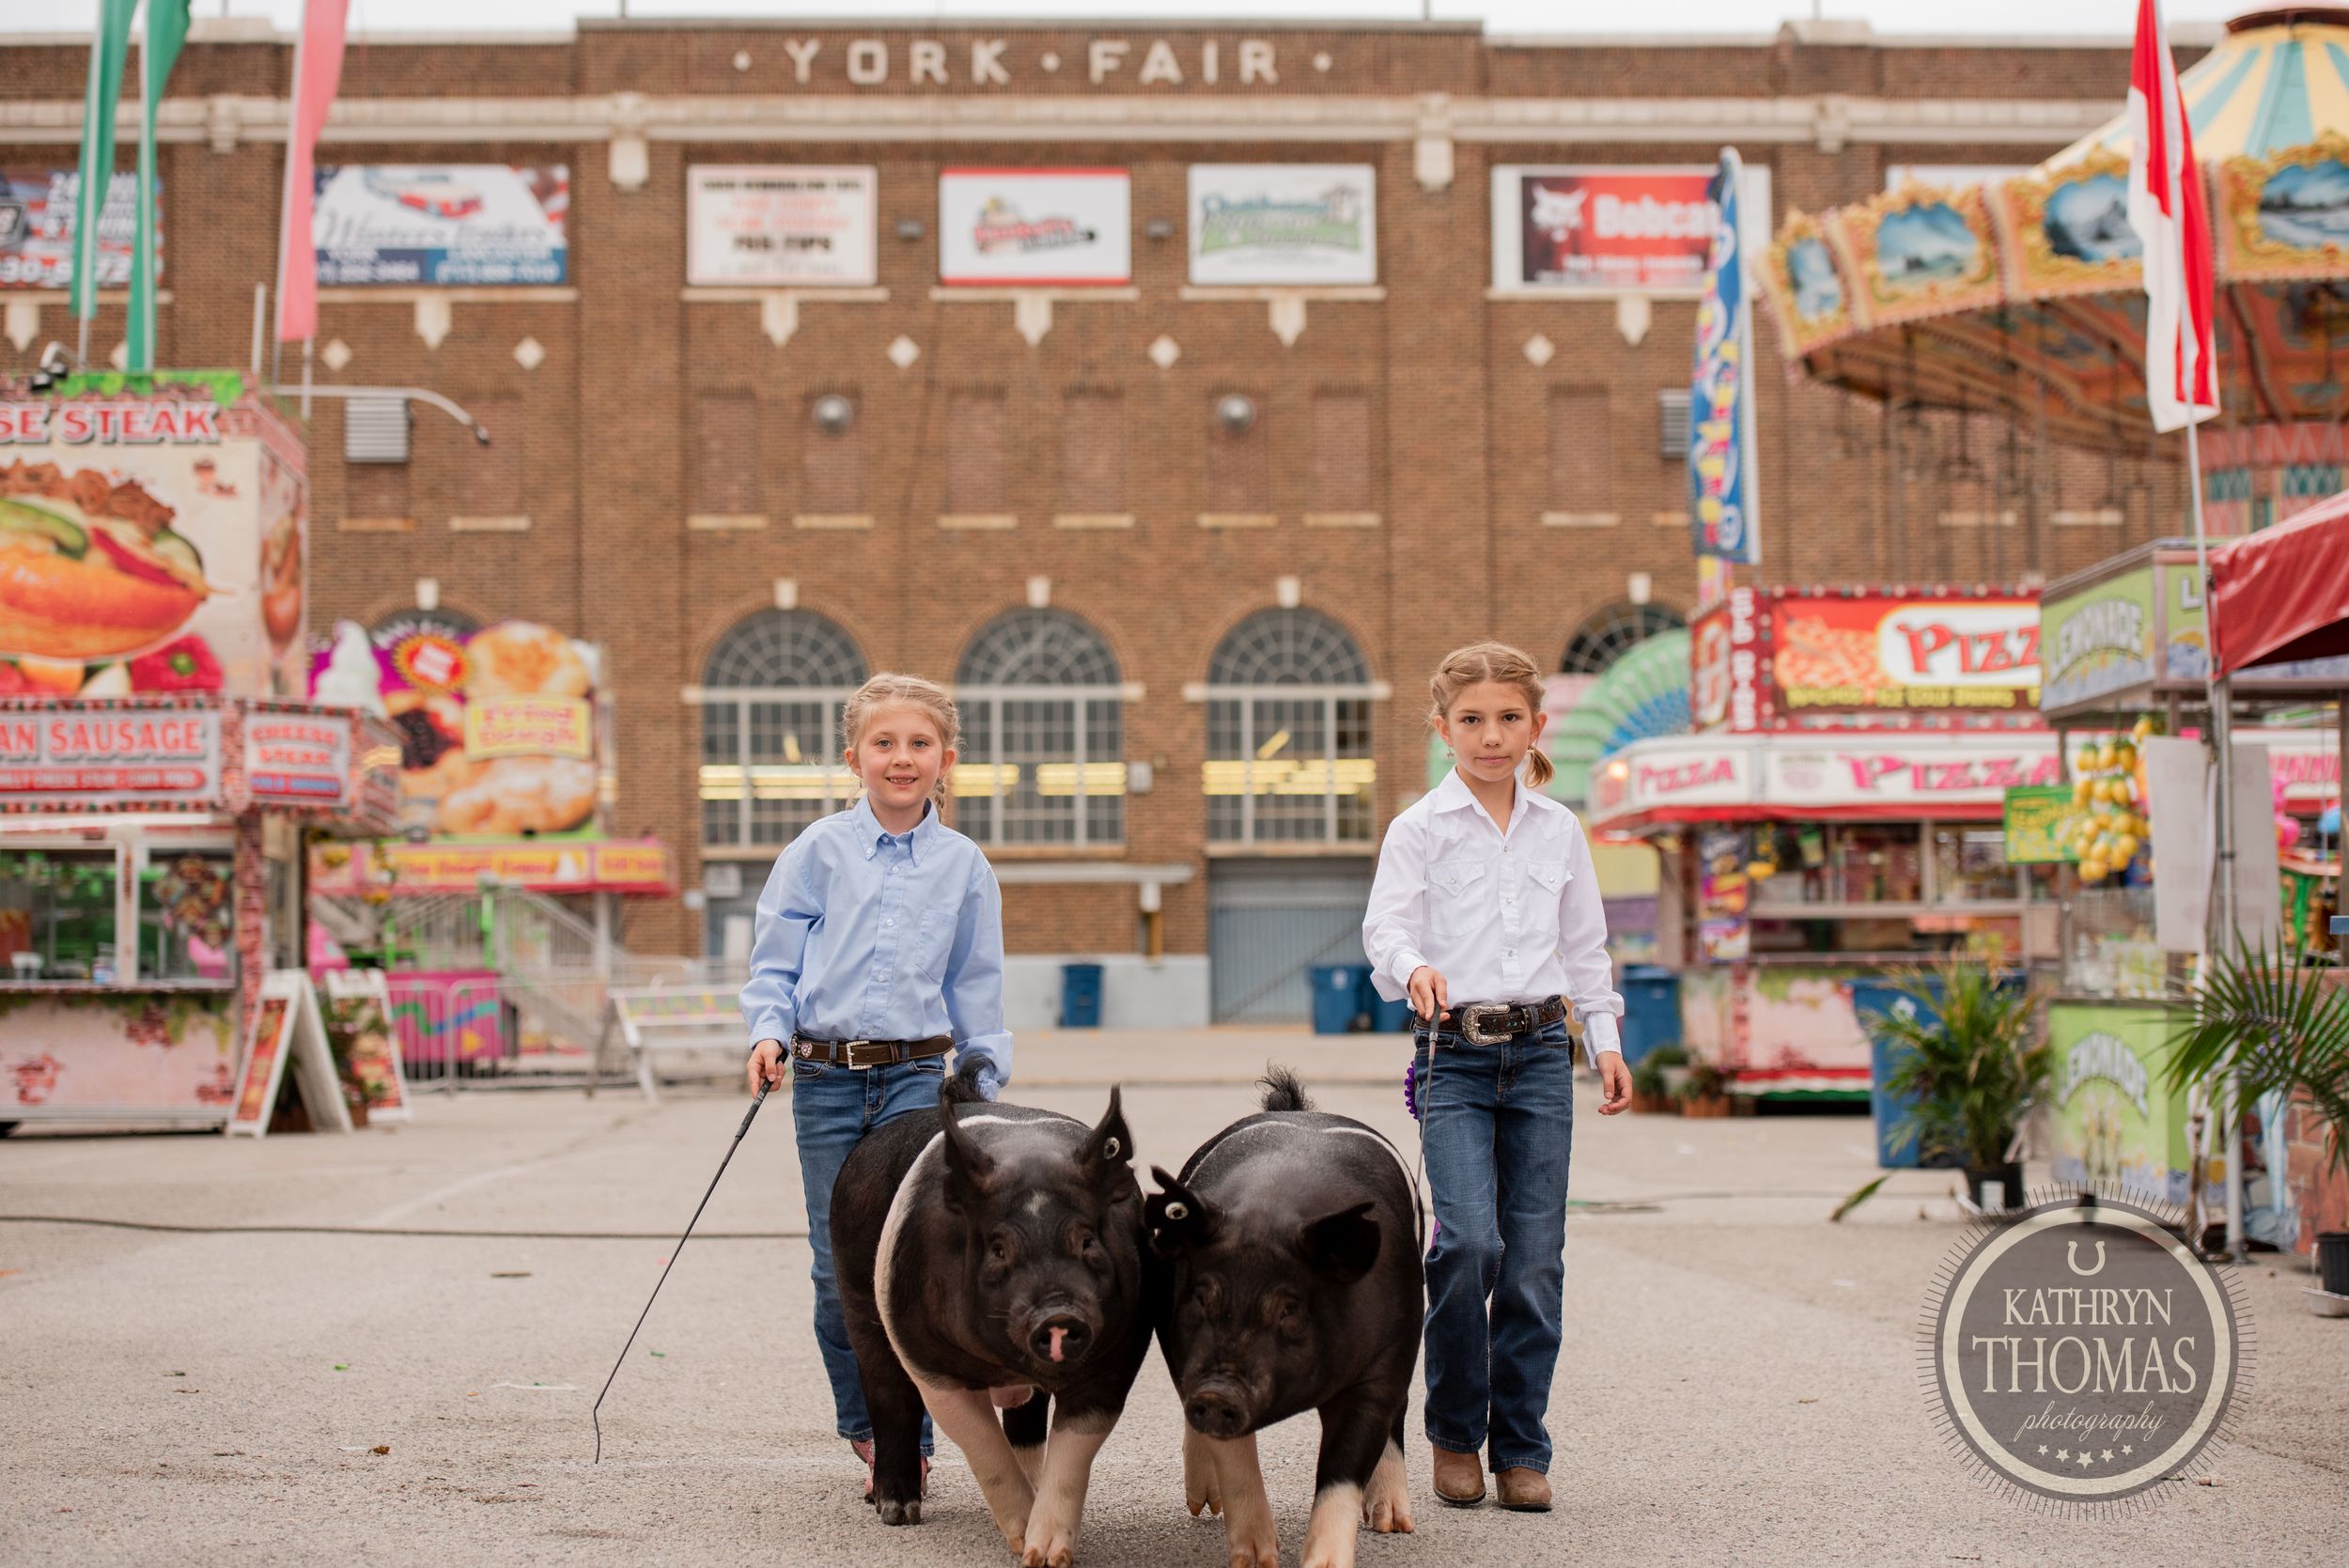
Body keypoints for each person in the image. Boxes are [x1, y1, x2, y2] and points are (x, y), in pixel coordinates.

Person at [1361, 640, 1631, 1514]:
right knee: (1468, 1244)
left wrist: (1609, 1037)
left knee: (1534, 1263)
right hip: (1455, 1057)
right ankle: (1453, 1433)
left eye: (1508, 718)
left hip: (1546, 1058)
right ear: (1443, 729)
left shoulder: (1560, 828)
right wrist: (1412, 969)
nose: (1491, 734)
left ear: (1536, 726)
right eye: (1471, 720)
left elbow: (1587, 947)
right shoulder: (1419, 828)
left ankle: (1521, 1446)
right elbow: (1385, 928)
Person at [741, 673, 1013, 1494]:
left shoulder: (965, 866)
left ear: (946, 761)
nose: (902, 758)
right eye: (885, 743)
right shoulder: (816, 852)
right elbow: (775, 964)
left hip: (916, 1082)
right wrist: (766, 1034)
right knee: (839, 1271)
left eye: (919, 744)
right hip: (825, 1082)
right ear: (853, 756)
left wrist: (985, 1086)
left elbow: (978, 985)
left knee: (918, 1261)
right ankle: (866, 1421)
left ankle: (912, 1438)